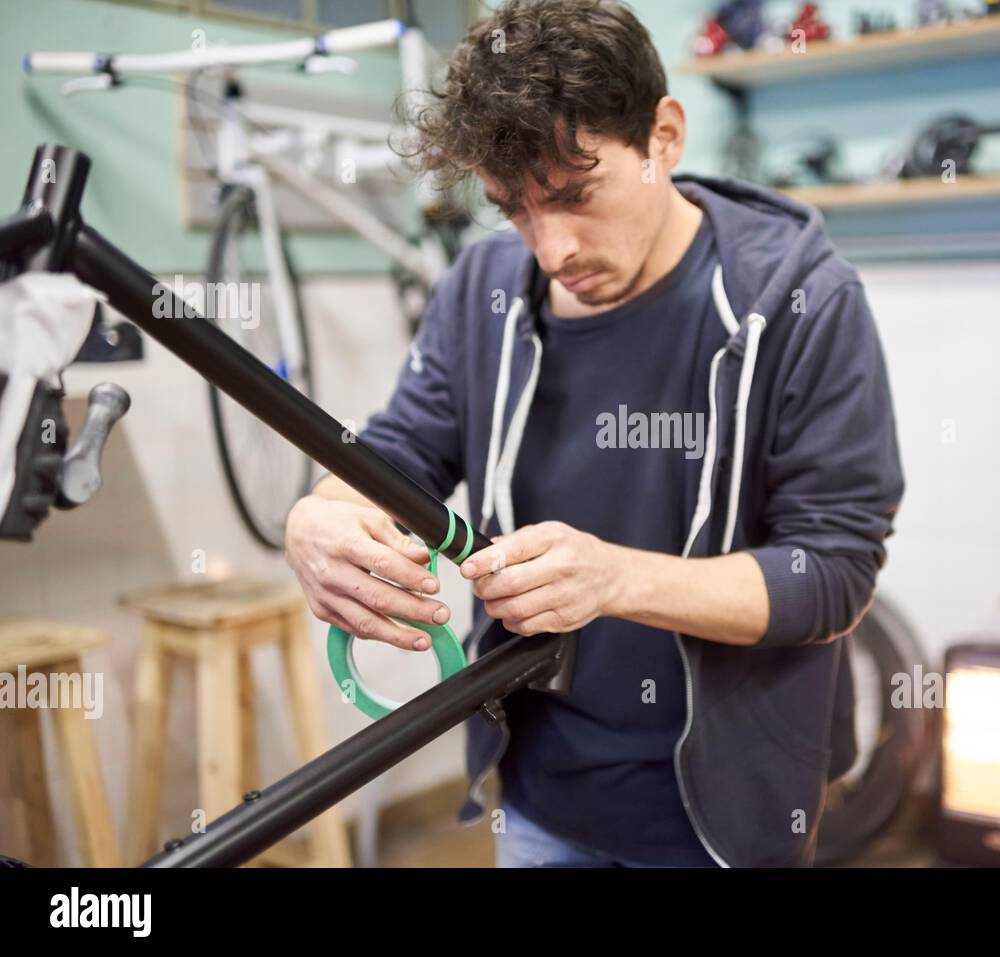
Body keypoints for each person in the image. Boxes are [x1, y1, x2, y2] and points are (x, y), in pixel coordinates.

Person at [285, 0, 903, 868]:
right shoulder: (485, 287)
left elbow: (832, 571)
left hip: (729, 813)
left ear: (665, 137)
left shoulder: (801, 300)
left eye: (576, 195)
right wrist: (316, 515)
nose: (551, 248)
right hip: (539, 788)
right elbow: (401, 450)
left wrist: (615, 578)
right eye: (515, 209)